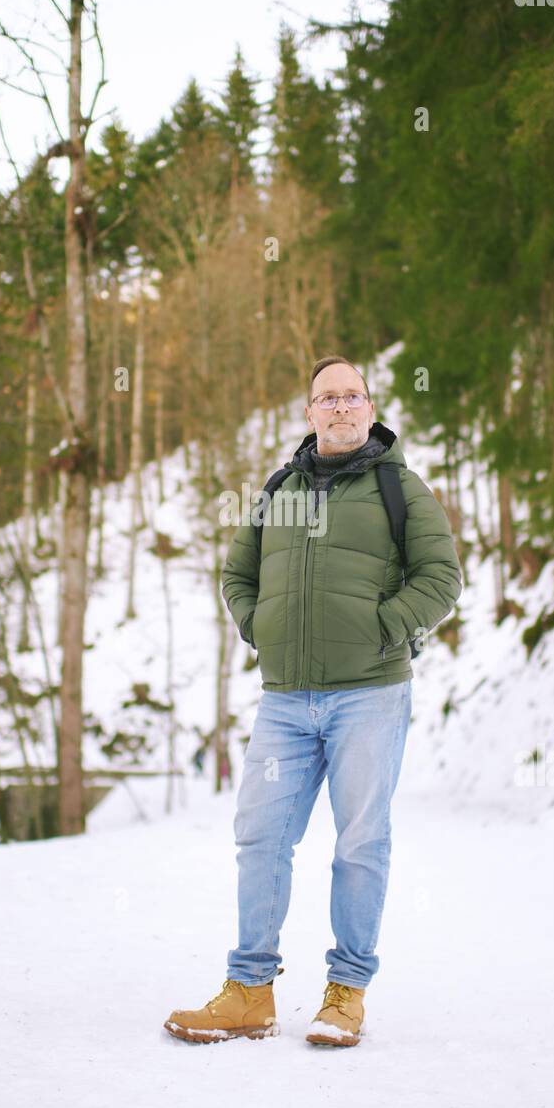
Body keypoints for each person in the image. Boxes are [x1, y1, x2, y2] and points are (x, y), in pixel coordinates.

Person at [163, 355, 463, 1047]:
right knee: (260, 837)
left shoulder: (400, 488)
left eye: (351, 396)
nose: (339, 407)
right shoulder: (278, 489)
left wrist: (382, 630)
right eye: (326, 398)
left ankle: (345, 994)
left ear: (369, 406)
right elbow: (237, 571)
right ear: (308, 413)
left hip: (369, 697)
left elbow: (441, 576)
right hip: (284, 702)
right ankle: (248, 992)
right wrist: (256, 624)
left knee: (359, 843)